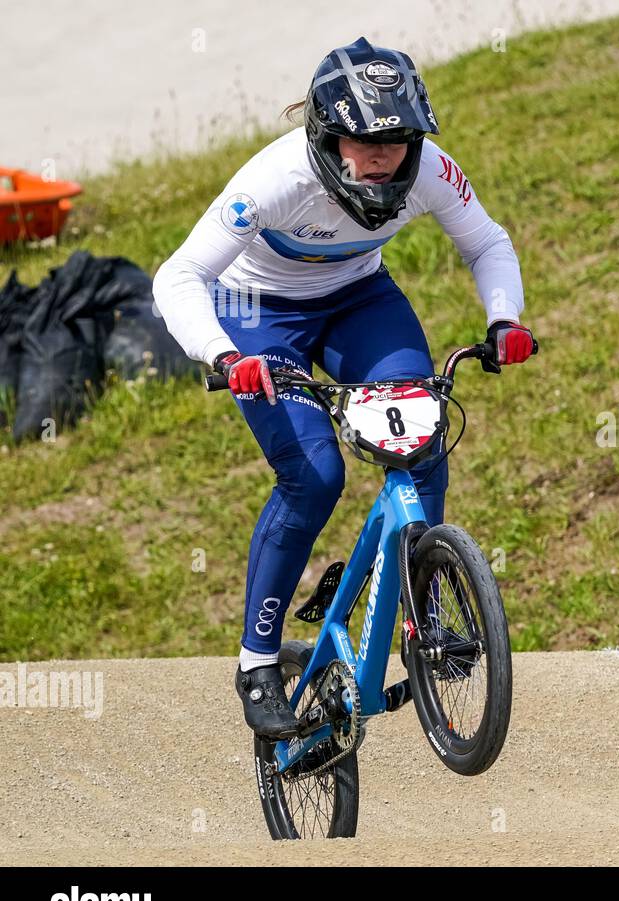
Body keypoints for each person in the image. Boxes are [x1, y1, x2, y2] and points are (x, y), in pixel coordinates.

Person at [152, 37, 533, 738]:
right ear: (329, 136)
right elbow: (177, 277)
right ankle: (257, 663)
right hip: (256, 317)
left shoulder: (429, 171)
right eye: (366, 140)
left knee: (421, 433)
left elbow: (487, 242)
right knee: (315, 475)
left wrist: (504, 317)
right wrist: (224, 353)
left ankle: (428, 620)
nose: (387, 155)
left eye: (400, 138)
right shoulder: (274, 180)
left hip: (358, 300)